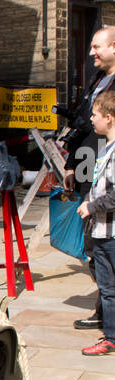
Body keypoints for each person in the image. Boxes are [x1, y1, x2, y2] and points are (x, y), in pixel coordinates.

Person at [63, 26, 115, 330]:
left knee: (104, 245)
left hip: (109, 169)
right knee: (92, 245)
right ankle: (104, 307)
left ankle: (106, 311)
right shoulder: (97, 80)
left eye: (97, 47)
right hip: (88, 166)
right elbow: (82, 123)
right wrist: (70, 164)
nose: (91, 53)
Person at [76, 88, 115, 356]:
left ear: (109, 117)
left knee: (111, 289)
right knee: (107, 289)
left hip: (111, 235)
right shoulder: (107, 148)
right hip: (101, 232)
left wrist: (90, 207)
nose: (91, 119)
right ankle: (111, 337)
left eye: (95, 114)